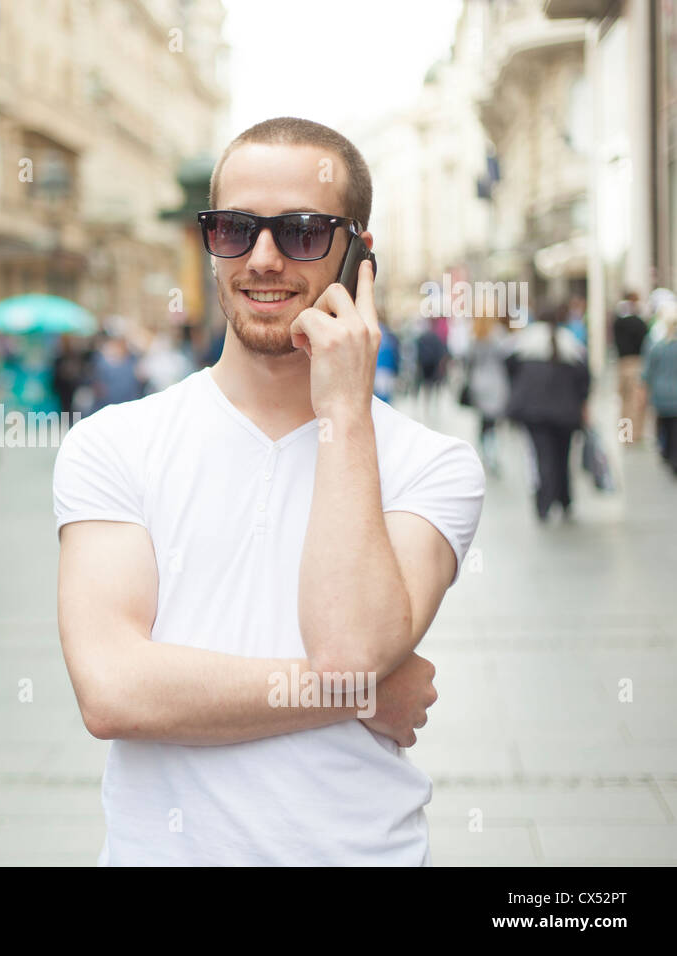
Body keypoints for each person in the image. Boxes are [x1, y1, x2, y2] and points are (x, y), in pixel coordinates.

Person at [53, 117, 484, 866]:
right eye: (233, 229)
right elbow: (114, 691)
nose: (262, 258)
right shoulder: (112, 443)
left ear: (359, 257)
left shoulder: (432, 464)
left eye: (303, 232)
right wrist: (357, 695)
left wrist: (346, 413)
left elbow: (348, 648)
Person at [505, 304, 591, 522]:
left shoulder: (524, 342)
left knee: (542, 456)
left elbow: (509, 368)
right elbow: (585, 378)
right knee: (564, 456)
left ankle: (544, 502)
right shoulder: (570, 341)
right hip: (566, 411)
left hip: (535, 412)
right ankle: (564, 500)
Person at [463, 311, 511, 476]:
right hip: (496, 383)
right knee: (494, 421)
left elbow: (467, 360)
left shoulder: (474, 335)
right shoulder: (499, 335)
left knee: (483, 420)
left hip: (478, 383)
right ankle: (491, 452)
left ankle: (484, 450)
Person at [642, 302, 677, 474]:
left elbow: (648, 371)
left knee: (665, 425)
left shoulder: (658, 347)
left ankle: (666, 452)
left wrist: (646, 387)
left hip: (661, 394)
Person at [613, 291, 650, 447]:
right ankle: (636, 435)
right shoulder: (640, 323)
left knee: (625, 401)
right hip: (637, 362)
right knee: (637, 401)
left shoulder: (618, 323)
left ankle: (625, 435)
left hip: (622, 363)